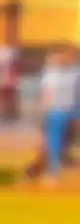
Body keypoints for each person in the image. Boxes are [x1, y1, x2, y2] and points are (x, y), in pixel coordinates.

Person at [39, 45, 78, 187]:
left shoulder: (75, 73)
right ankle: (53, 173)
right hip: (54, 112)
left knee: (68, 144)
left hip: (72, 111)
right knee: (53, 144)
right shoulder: (50, 73)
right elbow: (46, 93)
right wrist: (44, 112)